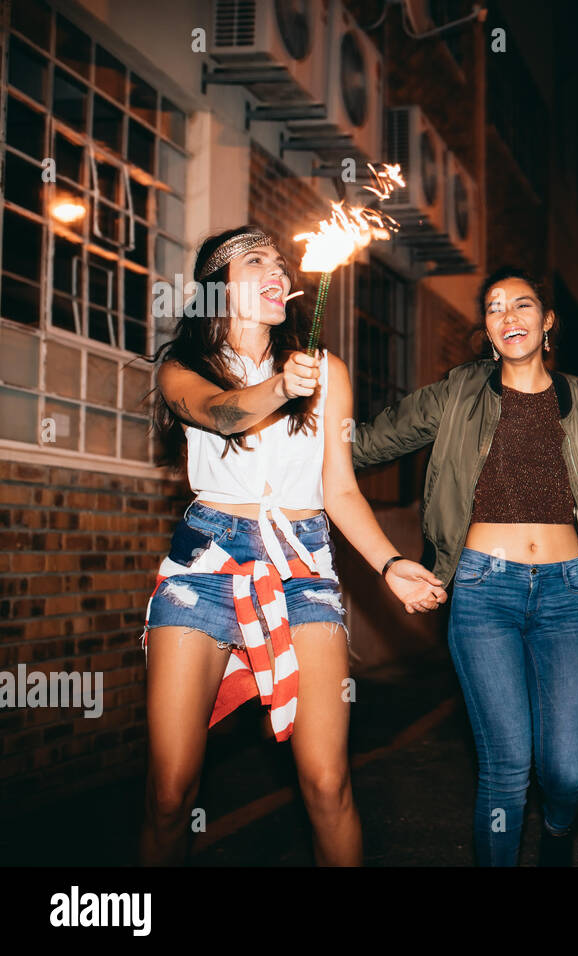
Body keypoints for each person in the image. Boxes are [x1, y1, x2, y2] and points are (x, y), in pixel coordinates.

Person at [142, 226, 443, 866]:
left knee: (328, 783)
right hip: (205, 568)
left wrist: (390, 564)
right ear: (218, 285)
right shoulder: (182, 368)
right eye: (256, 260)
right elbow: (221, 413)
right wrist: (280, 387)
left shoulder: (327, 370)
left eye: (280, 260)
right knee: (171, 793)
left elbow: (339, 490)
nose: (276, 267)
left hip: (303, 568)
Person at [350, 267, 578, 866]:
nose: (509, 317)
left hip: (567, 592)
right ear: (487, 328)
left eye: (523, 306)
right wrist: (296, 421)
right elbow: (366, 444)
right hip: (482, 592)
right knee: (506, 767)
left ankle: (556, 840)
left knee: (569, 773)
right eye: (495, 308)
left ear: (547, 322)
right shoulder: (458, 391)